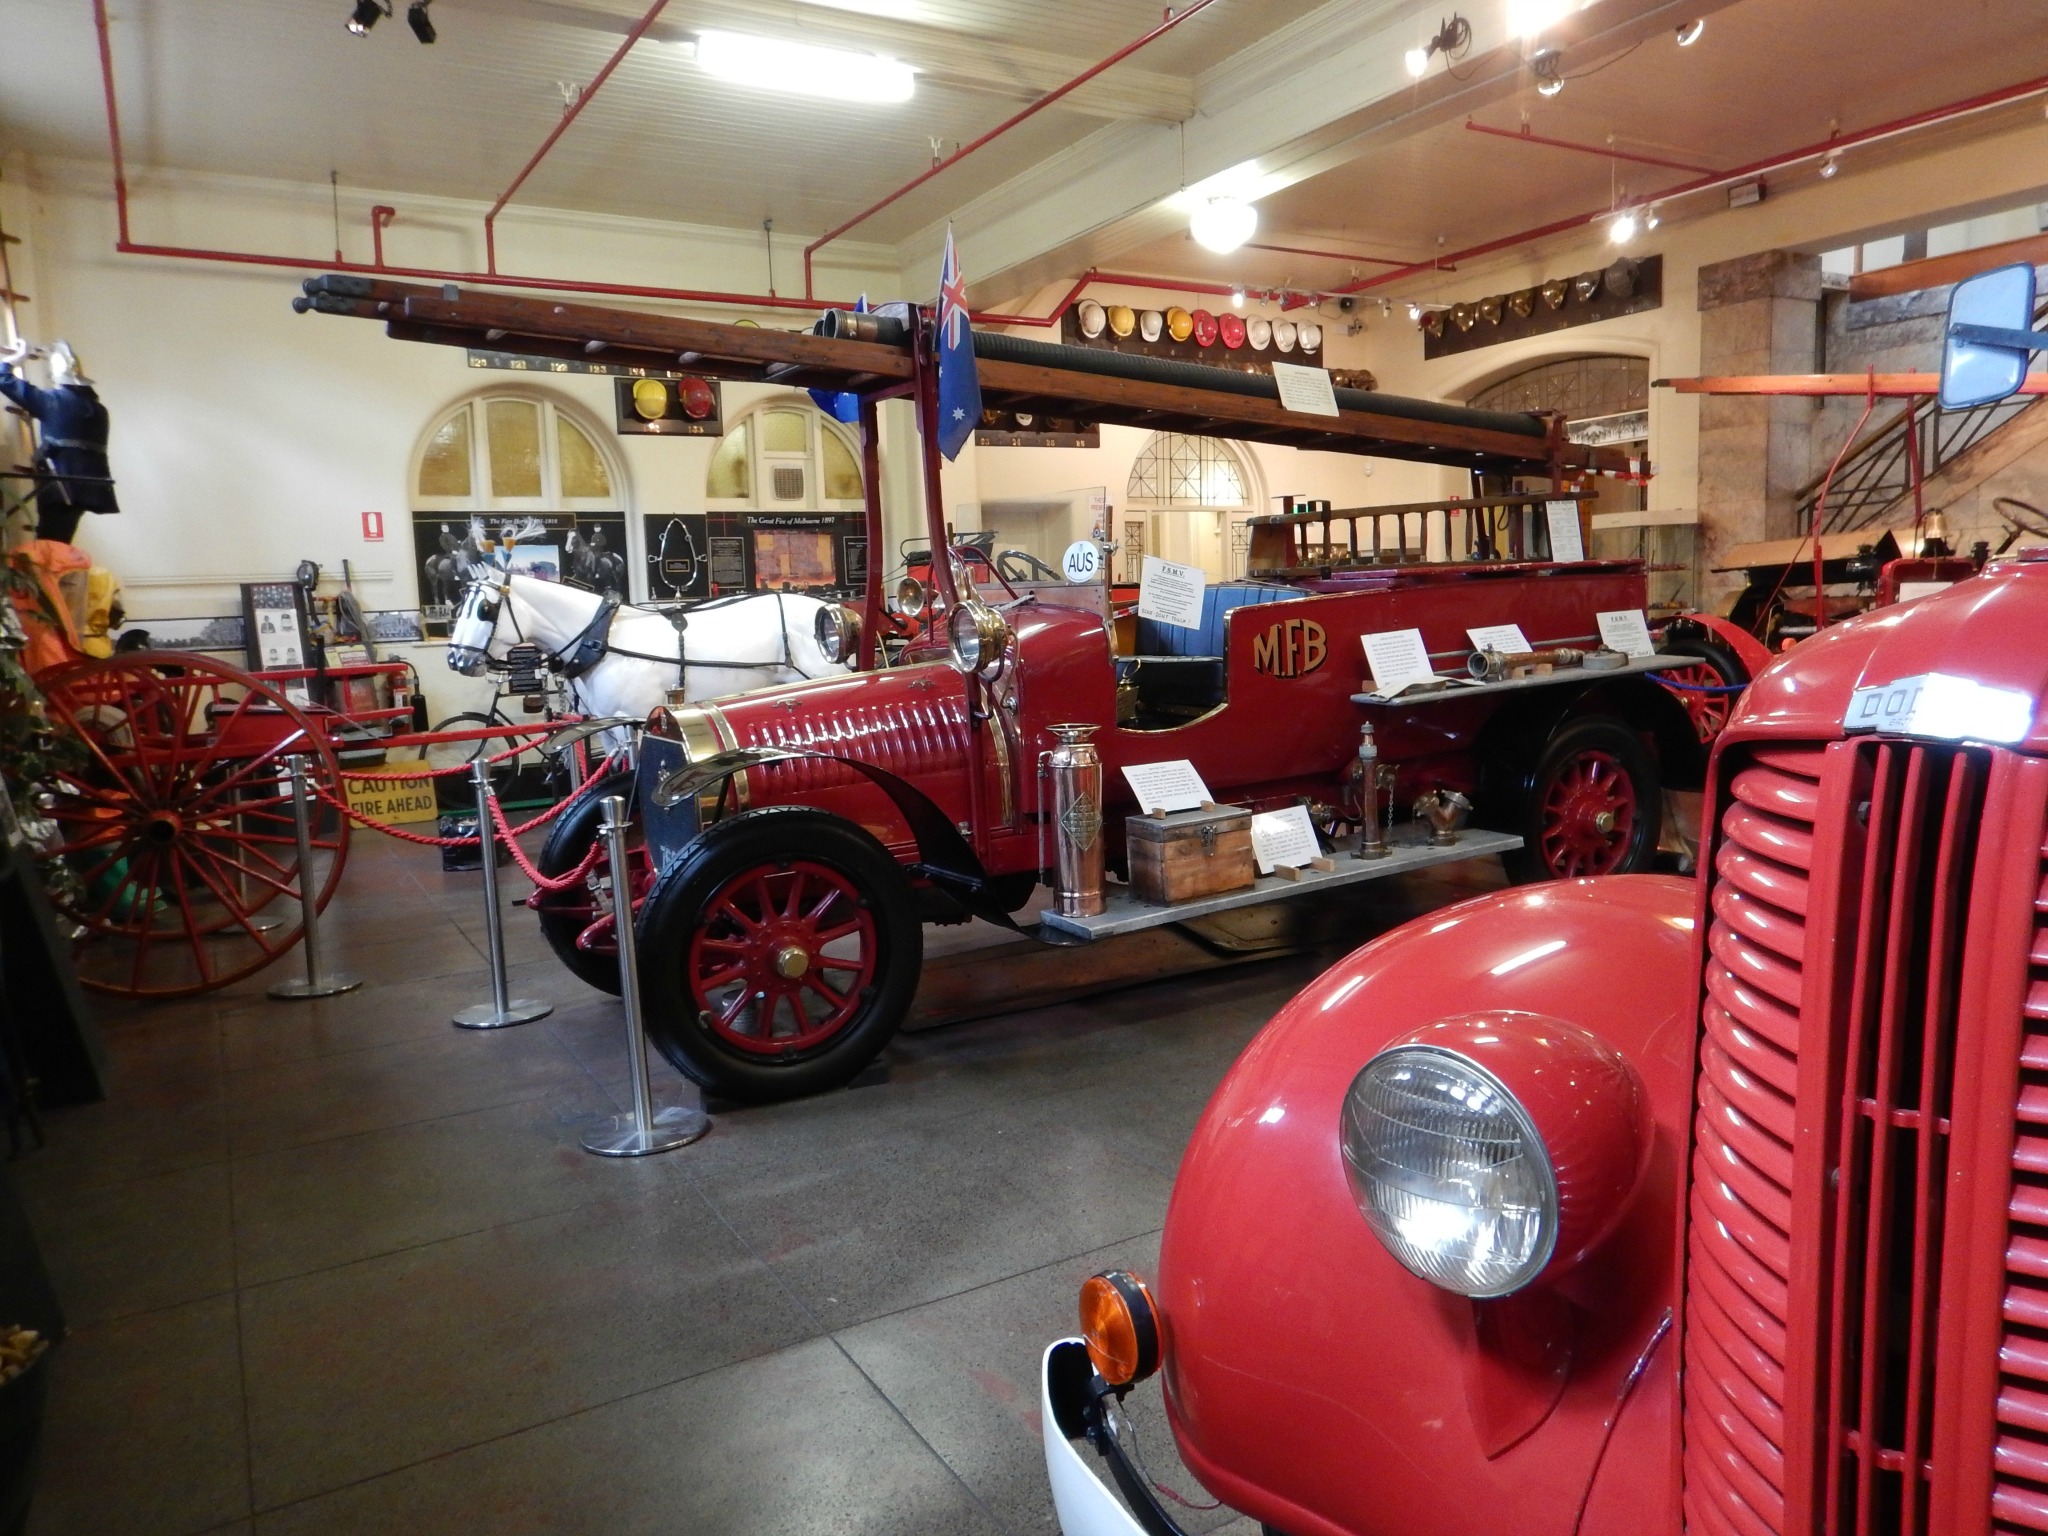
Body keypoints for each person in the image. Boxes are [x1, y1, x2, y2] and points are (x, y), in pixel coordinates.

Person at [0, 341, 119, 545]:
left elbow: (3, 380)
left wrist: (12, 361)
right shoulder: (99, 411)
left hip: (59, 487)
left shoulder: (55, 401)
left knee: (49, 549)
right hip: (88, 491)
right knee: (60, 545)